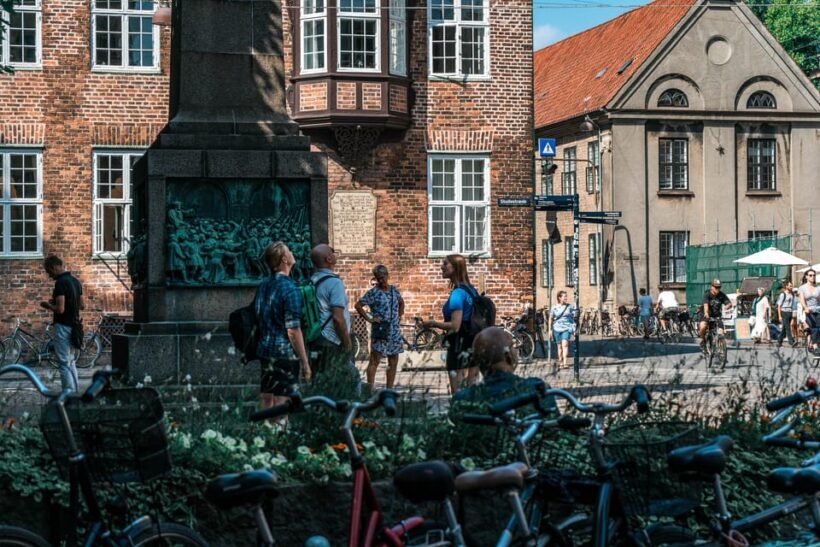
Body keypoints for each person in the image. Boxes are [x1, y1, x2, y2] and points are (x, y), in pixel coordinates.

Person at [254, 242, 311, 410]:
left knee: (267, 396)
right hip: (284, 352)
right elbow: (293, 330)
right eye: (289, 251)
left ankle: (265, 434)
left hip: (265, 349)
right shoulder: (290, 289)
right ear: (285, 259)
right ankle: (280, 433)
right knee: (282, 400)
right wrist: (305, 362)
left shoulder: (264, 284)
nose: (293, 252)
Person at [450, 326, 551, 412]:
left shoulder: (462, 399)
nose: (516, 350)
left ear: (477, 361)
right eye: (513, 347)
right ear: (509, 356)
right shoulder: (536, 389)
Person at [422, 254, 479, 394]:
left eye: (445, 264)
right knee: (471, 389)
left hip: (459, 343)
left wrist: (433, 323)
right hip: (474, 341)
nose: (442, 266)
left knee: (458, 392)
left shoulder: (457, 294)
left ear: (456, 268)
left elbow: (455, 325)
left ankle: (459, 414)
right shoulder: (472, 290)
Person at [309, 244, 359, 396]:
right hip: (332, 342)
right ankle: (352, 415)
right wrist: (347, 343)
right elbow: (338, 318)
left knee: (320, 385)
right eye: (332, 252)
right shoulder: (334, 283)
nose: (335, 254)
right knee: (352, 381)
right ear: (329, 258)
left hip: (317, 340)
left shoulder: (313, 280)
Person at [355, 265, 405, 390]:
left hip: (394, 331)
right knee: (374, 360)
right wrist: (370, 319)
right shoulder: (373, 293)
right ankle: (370, 390)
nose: (381, 280)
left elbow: (401, 302)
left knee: (393, 361)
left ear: (388, 275)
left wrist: (399, 316)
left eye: (383, 277)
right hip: (381, 330)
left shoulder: (394, 290)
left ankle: (389, 390)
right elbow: (358, 305)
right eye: (378, 278)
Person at [39, 255, 84, 393]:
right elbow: (82, 305)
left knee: (64, 364)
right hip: (75, 326)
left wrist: (47, 305)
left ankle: (68, 395)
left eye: (49, 271)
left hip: (63, 326)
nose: (49, 275)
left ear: (54, 267)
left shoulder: (60, 283)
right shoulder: (76, 281)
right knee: (71, 362)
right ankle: (74, 392)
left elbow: (60, 309)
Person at [699, 279, 732, 350]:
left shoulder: (721, 295)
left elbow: (729, 303)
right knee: (703, 326)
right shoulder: (707, 294)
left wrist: (728, 306)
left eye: (719, 287)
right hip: (706, 314)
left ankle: (721, 351)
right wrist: (706, 313)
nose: (718, 289)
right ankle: (703, 340)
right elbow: (706, 305)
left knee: (721, 332)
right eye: (716, 287)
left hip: (717, 316)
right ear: (712, 287)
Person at [548, 290, 576, 369]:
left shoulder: (570, 307)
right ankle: (560, 362)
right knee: (559, 347)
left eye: (566, 296)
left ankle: (565, 363)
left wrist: (574, 330)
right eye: (564, 296)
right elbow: (551, 318)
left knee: (565, 345)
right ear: (559, 298)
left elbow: (573, 319)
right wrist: (550, 330)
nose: (566, 298)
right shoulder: (554, 307)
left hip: (566, 328)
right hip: (556, 328)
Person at [798, 268, 820, 353]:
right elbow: (802, 300)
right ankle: (815, 346)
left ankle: (815, 341)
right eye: (810, 275)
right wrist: (806, 308)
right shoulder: (802, 288)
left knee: (819, 328)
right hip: (808, 311)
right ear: (806, 277)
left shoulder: (818, 288)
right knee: (814, 328)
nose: (812, 277)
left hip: (818, 310)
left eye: (814, 275)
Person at [776, 281, 796, 348]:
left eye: (791, 286)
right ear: (786, 286)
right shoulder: (783, 295)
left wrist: (793, 313)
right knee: (788, 327)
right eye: (790, 286)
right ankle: (791, 342)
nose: (791, 287)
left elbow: (793, 305)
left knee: (784, 329)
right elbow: (779, 306)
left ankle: (779, 342)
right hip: (784, 311)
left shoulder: (792, 294)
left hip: (790, 311)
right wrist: (779, 316)